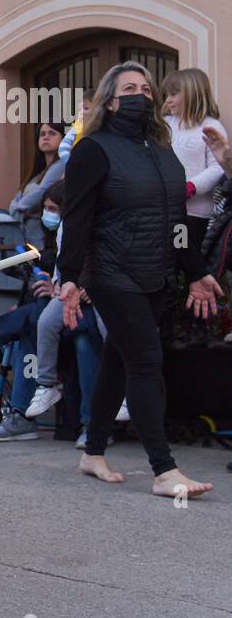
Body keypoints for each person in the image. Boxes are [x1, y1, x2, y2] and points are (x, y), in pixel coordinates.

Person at [60, 61, 222, 498]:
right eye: (129, 87)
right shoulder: (92, 149)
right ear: (110, 100)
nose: (142, 94)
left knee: (118, 359)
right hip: (114, 275)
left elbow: (179, 219)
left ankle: (92, 452)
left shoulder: (161, 150)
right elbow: (77, 219)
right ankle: (164, 470)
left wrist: (198, 272)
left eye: (147, 88)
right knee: (146, 362)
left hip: (156, 275)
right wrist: (69, 278)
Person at [0, 182, 103, 445]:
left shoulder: (93, 228)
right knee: (29, 334)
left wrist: (70, 288)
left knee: (85, 343)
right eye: (46, 209)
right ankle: (22, 415)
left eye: (54, 209)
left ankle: (91, 425)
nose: (49, 214)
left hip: (90, 308)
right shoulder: (56, 237)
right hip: (61, 308)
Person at [161, 68, 226, 244]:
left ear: (192, 94)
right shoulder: (165, 124)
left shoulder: (211, 127)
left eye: (173, 94)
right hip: (164, 209)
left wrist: (191, 187)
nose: (168, 101)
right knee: (167, 261)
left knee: (186, 260)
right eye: (167, 95)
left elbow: (218, 167)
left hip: (195, 214)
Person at [9, 122, 66, 222]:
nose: (46, 137)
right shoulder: (40, 172)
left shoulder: (61, 164)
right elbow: (19, 195)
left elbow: (41, 192)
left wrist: (16, 208)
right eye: (42, 134)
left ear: (63, 138)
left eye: (52, 133)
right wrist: (15, 207)